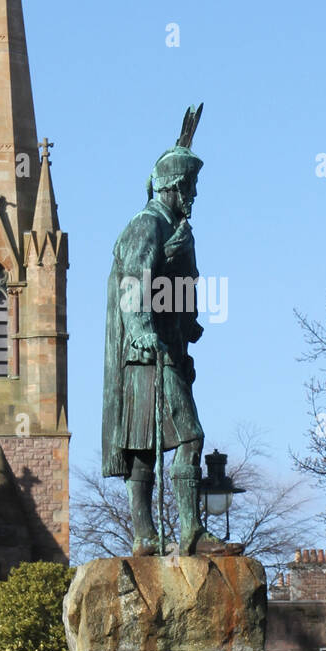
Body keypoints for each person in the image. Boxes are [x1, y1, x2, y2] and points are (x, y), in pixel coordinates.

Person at [101, 103, 239, 557]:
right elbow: (134, 283)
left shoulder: (173, 226)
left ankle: (146, 537)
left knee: (145, 449)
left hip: (164, 350)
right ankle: (186, 532)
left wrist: (187, 320)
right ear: (176, 186)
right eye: (191, 187)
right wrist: (143, 328)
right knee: (186, 437)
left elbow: (169, 287)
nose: (195, 195)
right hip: (146, 352)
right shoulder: (146, 225)